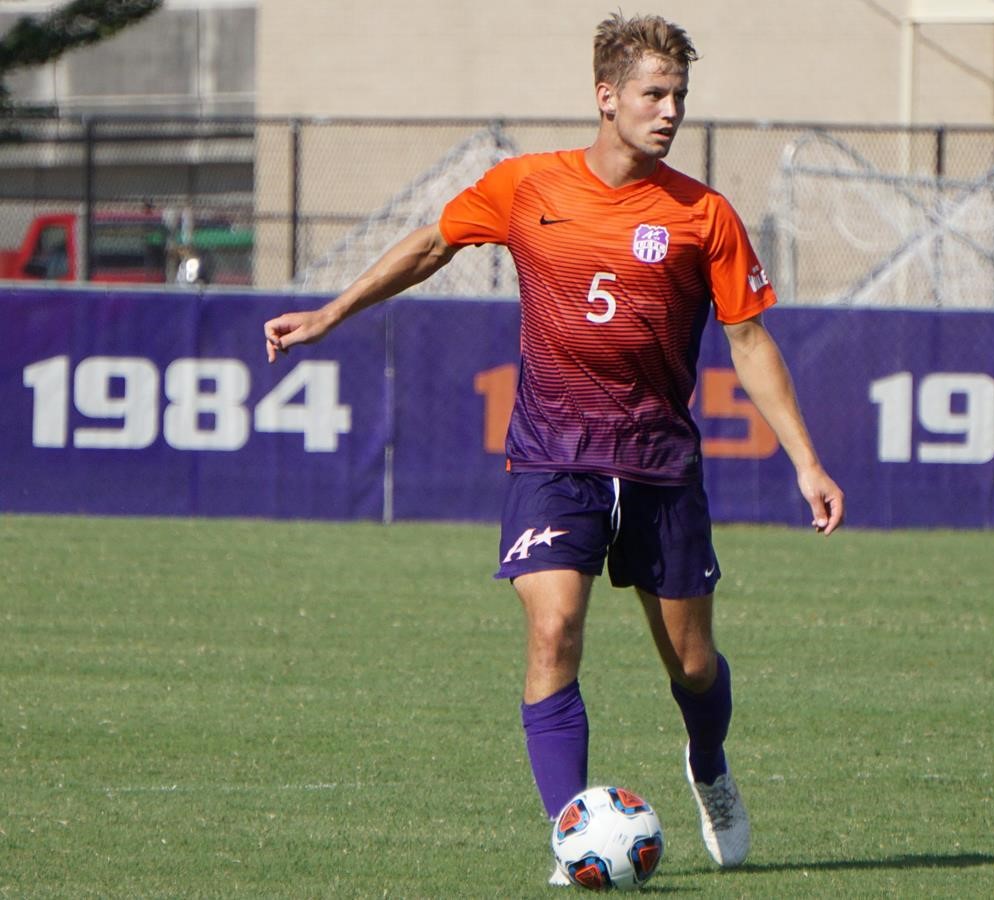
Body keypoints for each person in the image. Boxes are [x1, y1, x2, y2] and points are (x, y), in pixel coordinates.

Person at [261, 11, 844, 885]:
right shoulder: (527, 187)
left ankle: (709, 766)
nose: (670, 109)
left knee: (691, 663)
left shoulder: (704, 215)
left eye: (679, 94)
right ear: (606, 98)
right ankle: (572, 836)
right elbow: (430, 244)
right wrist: (330, 313)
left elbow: (750, 341)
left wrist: (806, 459)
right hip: (552, 456)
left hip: (658, 464)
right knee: (553, 626)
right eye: (654, 92)